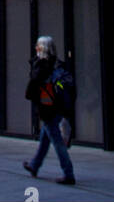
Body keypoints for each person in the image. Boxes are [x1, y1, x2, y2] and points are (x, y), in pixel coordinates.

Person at [23, 35, 76, 185]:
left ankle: (68, 173)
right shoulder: (57, 64)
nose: (35, 49)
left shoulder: (42, 66)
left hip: (48, 108)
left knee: (57, 141)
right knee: (45, 138)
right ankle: (34, 165)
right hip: (58, 107)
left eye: (38, 46)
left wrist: (34, 64)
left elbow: (33, 85)